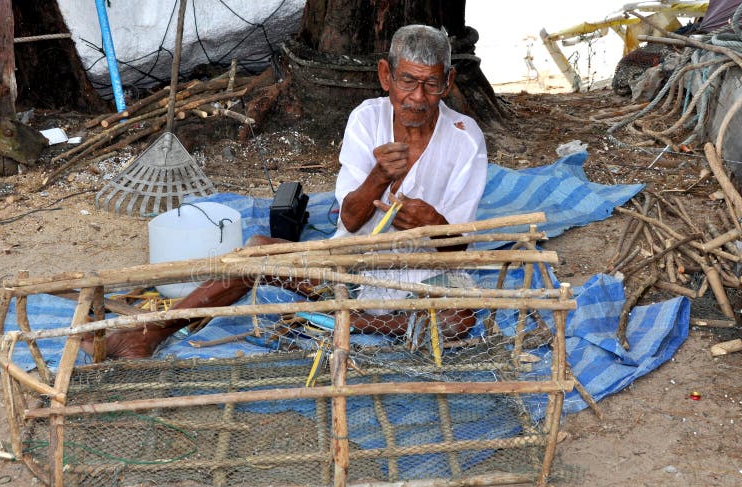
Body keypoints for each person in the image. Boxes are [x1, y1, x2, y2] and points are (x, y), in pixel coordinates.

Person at [81, 24, 488, 359]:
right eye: (407, 82)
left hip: (419, 282)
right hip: (347, 272)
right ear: (386, 76)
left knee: (460, 318)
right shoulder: (367, 120)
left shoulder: (464, 139)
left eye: (431, 85)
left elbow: (458, 249)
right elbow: (349, 218)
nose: (418, 98)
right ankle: (149, 333)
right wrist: (377, 178)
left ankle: (331, 318)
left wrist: (432, 225)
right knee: (258, 250)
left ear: (449, 82)